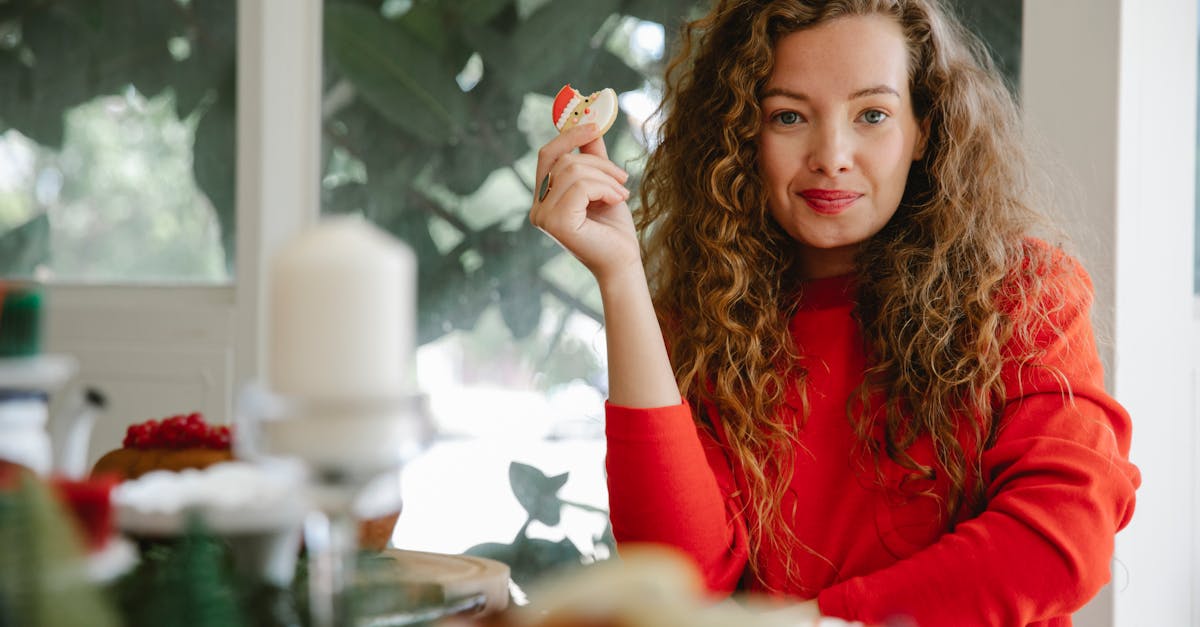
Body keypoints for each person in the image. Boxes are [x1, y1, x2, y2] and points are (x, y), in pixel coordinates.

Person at [528, 0, 1140, 625]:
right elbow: (680, 578)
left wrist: (815, 621)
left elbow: (1062, 539)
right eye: (789, 116)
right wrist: (622, 276)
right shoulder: (699, 323)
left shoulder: (1025, 292)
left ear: (924, 127)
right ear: (743, 133)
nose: (832, 155)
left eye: (872, 114)